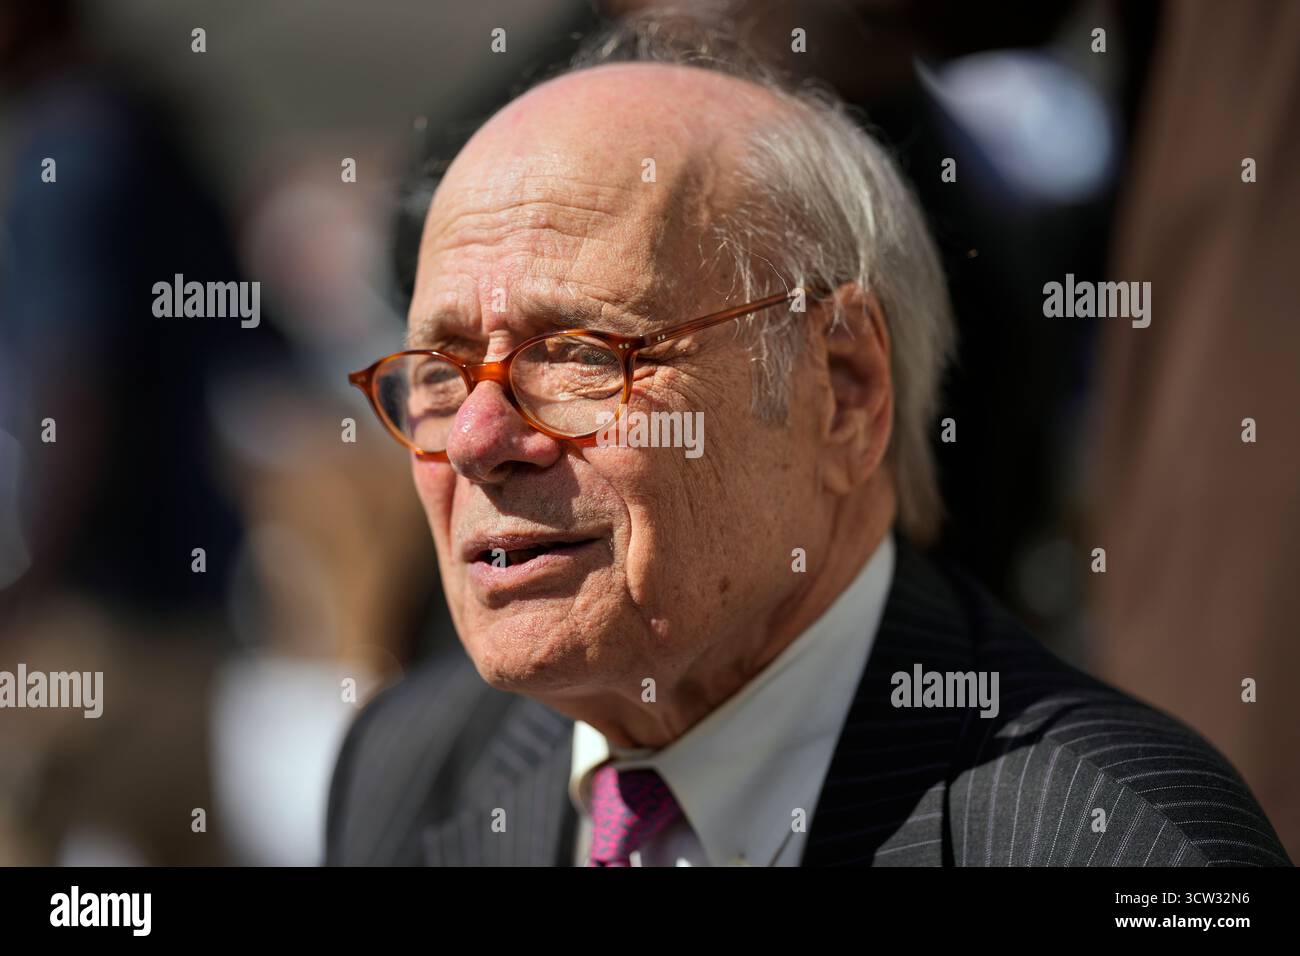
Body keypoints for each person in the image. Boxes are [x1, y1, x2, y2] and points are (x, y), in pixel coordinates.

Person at [325, 23, 1288, 867]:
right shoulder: (411, 768)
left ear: (844, 390)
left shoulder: (1119, 840)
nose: (480, 441)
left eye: (579, 354)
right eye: (441, 373)